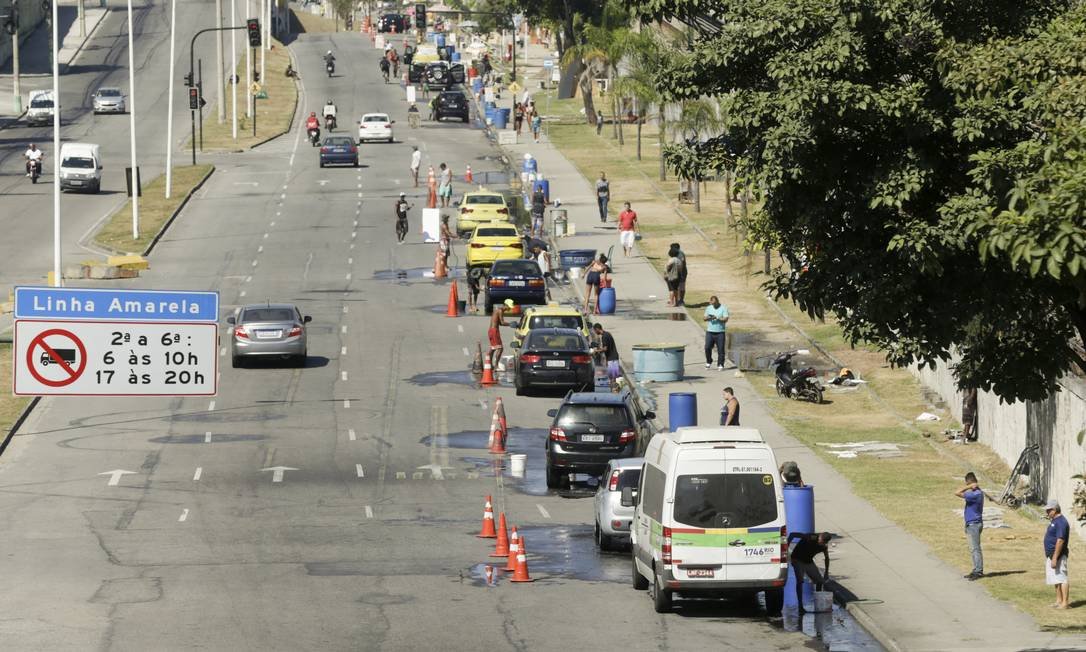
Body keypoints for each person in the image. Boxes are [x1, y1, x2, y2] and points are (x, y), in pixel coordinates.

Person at [787, 532, 833, 613]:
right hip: (797, 559)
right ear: (820, 536)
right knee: (800, 581)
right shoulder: (812, 537)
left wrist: (826, 572)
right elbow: (792, 535)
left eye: (822, 542)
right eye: (820, 540)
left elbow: (827, 558)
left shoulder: (824, 547)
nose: (820, 543)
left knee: (820, 581)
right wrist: (786, 547)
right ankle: (800, 606)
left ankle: (818, 604)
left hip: (808, 561)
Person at [955, 472, 984, 580]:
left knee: (975, 549)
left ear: (969, 482)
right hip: (972, 524)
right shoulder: (977, 493)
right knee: (973, 548)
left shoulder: (975, 494)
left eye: (966, 483)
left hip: (974, 524)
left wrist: (969, 486)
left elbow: (957, 492)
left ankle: (979, 571)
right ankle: (976, 568)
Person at [1044, 499, 1070, 609]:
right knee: (1055, 578)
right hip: (1051, 554)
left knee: (1062, 578)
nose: (1047, 512)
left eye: (1049, 510)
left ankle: (1065, 603)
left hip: (1058, 555)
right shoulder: (1054, 520)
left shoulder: (1061, 522)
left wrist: (1055, 557)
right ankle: (1058, 600)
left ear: (1055, 510)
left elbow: (1060, 540)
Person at [703, 295, 728, 370]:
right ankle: (709, 361)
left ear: (717, 301)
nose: (714, 305)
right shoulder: (708, 308)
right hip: (710, 332)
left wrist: (718, 318)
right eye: (712, 304)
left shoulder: (723, 308)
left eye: (715, 303)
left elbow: (726, 319)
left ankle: (720, 364)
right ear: (710, 302)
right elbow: (704, 318)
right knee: (707, 347)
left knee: (720, 349)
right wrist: (709, 318)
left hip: (720, 332)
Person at [489, 299, 513, 371]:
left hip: (491, 330)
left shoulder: (498, 310)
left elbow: (499, 323)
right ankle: (496, 366)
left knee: (493, 348)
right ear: (506, 305)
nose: (509, 309)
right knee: (500, 348)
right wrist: (510, 324)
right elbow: (502, 323)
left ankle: (489, 364)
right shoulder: (500, 311)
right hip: (494, 331)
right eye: (509, 307)